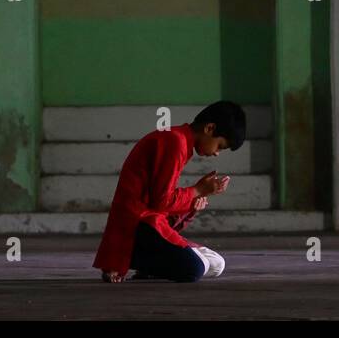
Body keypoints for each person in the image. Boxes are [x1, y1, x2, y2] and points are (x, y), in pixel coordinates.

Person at [93, 101, 246, 283]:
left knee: (217, 264)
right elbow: (161, 202)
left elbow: (162, 207)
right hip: (137, 225)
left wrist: (193, 204)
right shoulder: (175, 142)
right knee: (194, 268)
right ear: (209, 128)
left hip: (150, 221)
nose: (216, 153)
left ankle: (152, 263)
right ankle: (129, 257)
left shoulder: (179, 140)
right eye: (220, 146)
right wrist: (197, 190)